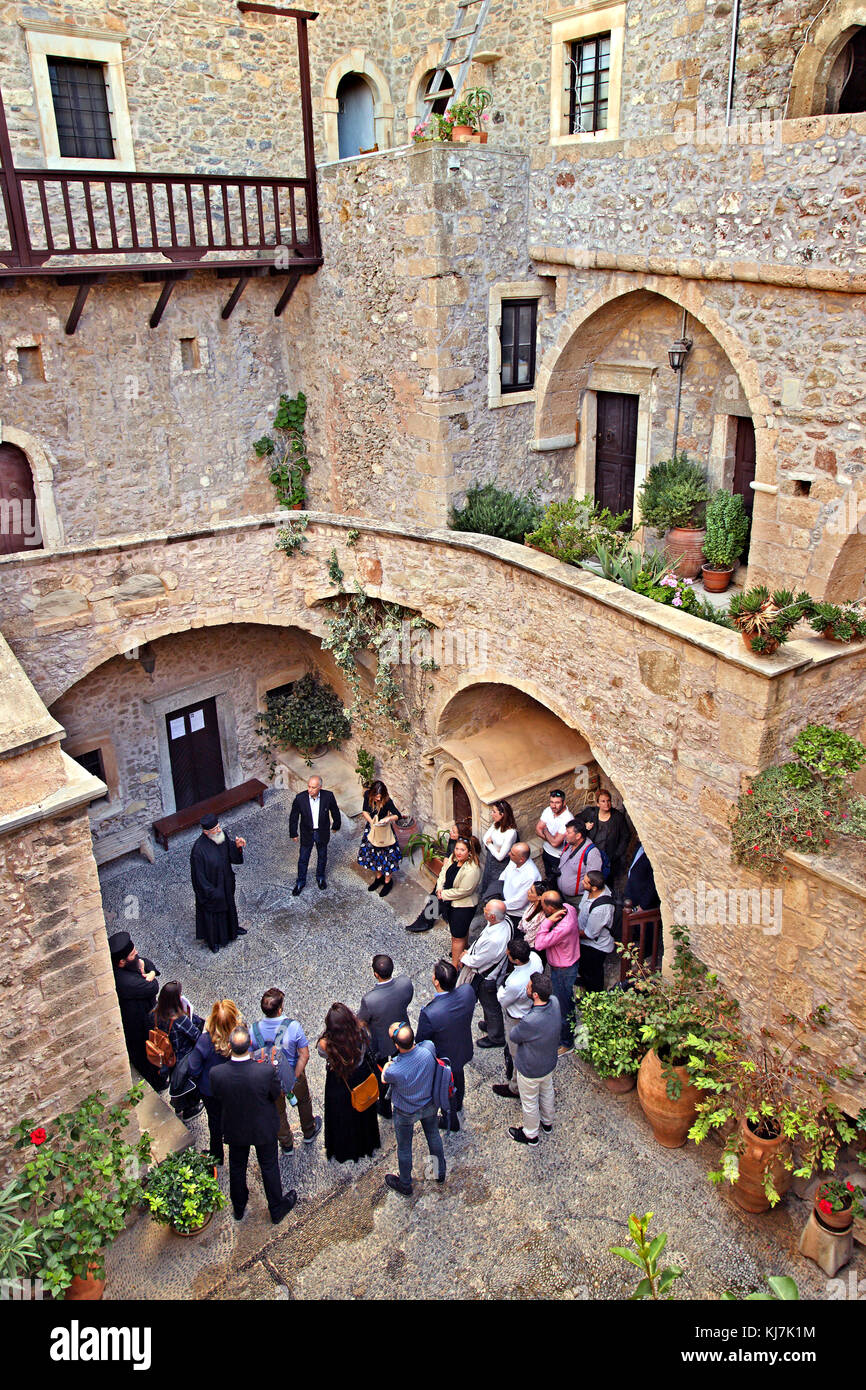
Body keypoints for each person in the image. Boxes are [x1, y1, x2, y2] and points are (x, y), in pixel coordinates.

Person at [209, 1025, 297, 1225]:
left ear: (230, 1047)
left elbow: (217, 1096)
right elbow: (275, 1094)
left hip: (235, 1126)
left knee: (237, 1166)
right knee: (269, 1166)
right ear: (249, 1045)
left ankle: (239, 1207)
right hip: (262, 1125)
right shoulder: (264, 1071)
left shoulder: (217, 1073)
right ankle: (276, 1207)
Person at [250, 988, 322, 1151]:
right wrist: (293, 1077)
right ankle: (309, 1131)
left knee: (278, 1112)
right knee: (303, 1101)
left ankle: (286, 1143)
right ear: (280, 1009)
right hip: (293, 1073)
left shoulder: (253, 1031)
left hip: (270, 1081)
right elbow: (304, 1055)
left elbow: (250, 1058)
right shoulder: (293, 1027)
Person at [381, 1023, 446, 1195]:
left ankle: (405, 1183)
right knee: (433, 1136)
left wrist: (388, 1065)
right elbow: (429, 1046)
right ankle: (438, 1172)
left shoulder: (395, 1070)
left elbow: (384, 1078)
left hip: (406, 1111)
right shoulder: (428, 1050)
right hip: (429, 1104)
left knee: (404, 1147)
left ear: (396, 1045)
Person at [316, 1003, 381, 1163]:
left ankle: (346, 1150)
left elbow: (323, 1054)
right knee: (364, 1110)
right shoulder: (362, 1033)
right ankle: (366, 1144)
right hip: (361, 1075)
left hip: (340, 1082)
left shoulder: (326, 1045)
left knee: (342, 1117)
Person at [416, 960, 475, 1132]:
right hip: (463, 1047)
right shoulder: (467, 991)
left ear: (436, 981)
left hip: (443, 1058)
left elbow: (422, 1040)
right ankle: (459, 1103)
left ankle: (450, 1120)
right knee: (459, 1075)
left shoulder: (430, 1013)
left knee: (445, 1090)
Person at [357, 955, 414, 1118]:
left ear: (375, 974)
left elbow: (361, 1021)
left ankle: (385, 1107)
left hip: (381, 1043)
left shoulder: (370, 1000)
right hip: (402, 1035)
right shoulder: (405, 983)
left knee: (382, 1074)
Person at [508, 973, 562, 1147]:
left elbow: (514, 1035)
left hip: (531, 1068)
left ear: (536, 995)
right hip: (549, 1062)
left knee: (530, 1101)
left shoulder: (530, 1021)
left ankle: (531, 1135)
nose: (526, 988)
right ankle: (547, 1122)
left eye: (529, 986)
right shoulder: (554, 1002)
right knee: (547, 1091)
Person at [108, 931, 164, 1090]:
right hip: (139, 1025)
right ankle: (157, 1082)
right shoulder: (127, 982)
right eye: (132, 954)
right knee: (148, 1055)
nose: (137, 954)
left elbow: (145, 962)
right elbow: (153, 987)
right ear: (121, 962)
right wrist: (148, 975)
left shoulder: (128, 966)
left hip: (139, 1019)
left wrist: (150, 972)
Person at [188, 998, 242, 1165]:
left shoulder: (205, 1041)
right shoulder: (241, 1036)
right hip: (233, 1088)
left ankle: (217, 1154)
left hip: (210, 1090)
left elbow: (193, 1068)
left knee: (214, 1121)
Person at [492, 936, 543, 1100]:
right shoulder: (535, 959)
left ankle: (515, 1087)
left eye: (509, 955)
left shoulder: (514, 982)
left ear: (516, 960)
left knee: (516, 1054)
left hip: (517, 1017)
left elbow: (503, 999)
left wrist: (500, 988)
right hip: (532, 1011)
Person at [189, 814, 247, 953]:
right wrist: (211, 892)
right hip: (212, 889)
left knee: (229, 907)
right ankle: (213, 941)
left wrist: (238, 846)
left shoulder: (221, 836)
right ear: (206, 832)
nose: (219, 830)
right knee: (213, 916)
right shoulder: (198, 850)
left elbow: (230, 851)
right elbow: (198, 877)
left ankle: (232, 930)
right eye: (215, 829)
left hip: (226, 883)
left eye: (218, 826)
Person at [533, 889, 582, 1052]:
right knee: (564, 1001)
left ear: (550, 909)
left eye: (542, 904)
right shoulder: (569, 908)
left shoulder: (563, 927)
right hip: (568, 961)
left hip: (563, 968)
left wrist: (547, 923)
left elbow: (539, 943)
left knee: (563, 1006)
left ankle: (567, 1042)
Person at [460, 898, 511, 1048]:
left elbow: (480, 960)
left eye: (486, 910)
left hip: (487, 976)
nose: (483, 911)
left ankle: (496, 1036)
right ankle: (490, 1024)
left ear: (493, 917)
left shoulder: (495, 940)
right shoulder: (505, 921)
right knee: (488, 1005)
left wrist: (466, 958)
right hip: (491, 970)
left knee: (490, 1005)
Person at [150, 980, 203, 1119]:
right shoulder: (179, 1019)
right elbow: (196, 1036)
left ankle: (178, 1107)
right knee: (187, 1084)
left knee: (175, 1080)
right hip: (182, 1056)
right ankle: (190, 1108)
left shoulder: (155, 1012)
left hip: (166, 1056)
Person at [404, 822, 465, 933]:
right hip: (447, 872)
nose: (450, 832)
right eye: (451, 830)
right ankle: (427, 918)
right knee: (436, 893)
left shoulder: (463, 849)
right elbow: (447, 857)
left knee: (438, 897)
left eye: (454, 832)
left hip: (455, 876)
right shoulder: (453, 841)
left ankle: (426, 921)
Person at [289, 774, 342, 895]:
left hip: (322, 832)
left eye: (313, 787)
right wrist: (293, 833)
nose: (310, 789)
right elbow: (294, 816)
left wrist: (336, 825)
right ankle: (300, 882)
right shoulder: (300, 798)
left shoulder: (328, 796)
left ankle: (320, 877)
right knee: (303, 858)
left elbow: (334, 810)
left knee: (322, 855)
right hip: (307, 832)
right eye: (309, 786)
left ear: (320, 787)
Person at [434, 837, 482, 970]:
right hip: (450, 902)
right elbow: (444, 871)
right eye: (457, 849)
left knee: (457, 937)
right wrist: (439, 887)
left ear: (470, 852)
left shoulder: (472, 870)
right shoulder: (453, 858)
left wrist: (443, 894)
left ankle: (454, 967)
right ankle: (462, 951)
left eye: (462, 850)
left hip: (463, 906)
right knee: (460, 931)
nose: (458, 852)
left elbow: (464, 891)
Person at [358, 780, 402, 898]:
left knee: (387, 858)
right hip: (372, 829)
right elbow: (365, 811)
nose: (378, 799)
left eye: (379, 796)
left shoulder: (387, 801)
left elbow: (398, 815)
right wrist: (372, 823)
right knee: (374, 856)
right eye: (376, 796)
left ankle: (387, 882)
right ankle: (378, 878)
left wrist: (388, 819)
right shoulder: (367, 795)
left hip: (384, 832)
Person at [577, 869, 617, 992]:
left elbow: (590, 934)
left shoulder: (601, 909)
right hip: (586, 942)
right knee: (584, 967)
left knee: (593, 973)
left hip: (596, 946)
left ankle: (595, 995)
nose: (582, 882)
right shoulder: (590, 891)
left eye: (585, 882)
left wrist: (571, 933)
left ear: (594, 888)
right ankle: (585, 981)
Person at [578, 790, 630, 883]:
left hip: (609, 857)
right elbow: (576, 821)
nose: (607, 804)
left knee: (607, 881)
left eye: (608, 800)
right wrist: (584, 825)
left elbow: (625, 836)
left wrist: (617, 854)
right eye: (603, 801)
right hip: (592, 854)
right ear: (597, 803)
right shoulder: (591, 813)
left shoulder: (618, 817)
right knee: (590, 879)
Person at [557, 821, 603, 906]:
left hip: (578, 900)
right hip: (564, 896)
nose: (565, 834)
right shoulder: (569, 843)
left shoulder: (592, 853)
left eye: (568, 832)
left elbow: (593, 880)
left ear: (578, 836)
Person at [479, 800, 518, 900]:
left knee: (495, 887)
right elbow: (485, 838)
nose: (492, 814)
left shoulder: (510, 833)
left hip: (500, 866)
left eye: (494, 812)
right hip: (491, 858)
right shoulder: (497, 824)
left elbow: (500, 857)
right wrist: (494, 848)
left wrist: (490, 844)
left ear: (502, 814)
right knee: (486, 880)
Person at [500, 843, 542, 928]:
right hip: (504, 904)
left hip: (515, 914)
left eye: (512, 854)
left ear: (521, 859)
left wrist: (499, 905)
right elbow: (504, 875)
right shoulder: (514, 861)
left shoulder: (531, 876)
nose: (508, 854)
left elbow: (519, 902)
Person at [536, 788, 571, 881]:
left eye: (557, 803)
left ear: (564, 803)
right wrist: (552, 839)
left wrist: (546, 831)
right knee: (549, 878)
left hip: (558, 857)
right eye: (551, 802)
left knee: (559, 882)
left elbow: (556, 844)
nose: (553, 806)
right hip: (546, 851)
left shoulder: (568, 819)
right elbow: (538, 829)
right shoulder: (548, 810)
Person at [516, 879, 553, 950]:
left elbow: (530, 938)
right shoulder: (532, 904)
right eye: (529, 889)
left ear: (539, 897)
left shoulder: (541, 917)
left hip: (531, 947)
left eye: (531, 892)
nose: (528, 892)